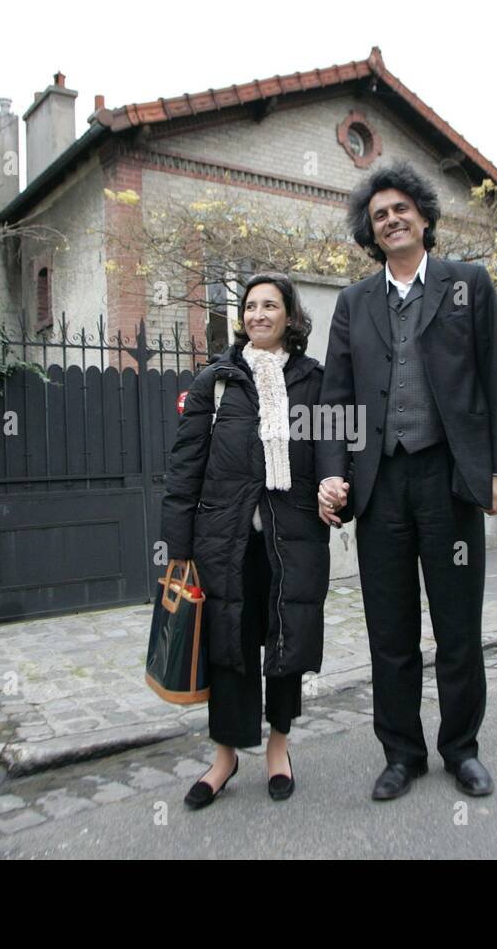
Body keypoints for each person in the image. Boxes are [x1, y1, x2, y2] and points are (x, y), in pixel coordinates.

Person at [315, 161, 497, 801]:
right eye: (379, 215)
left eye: (401, 208)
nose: (392, 219)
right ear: (369, 233)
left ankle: (461, 748)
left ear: (425, 218)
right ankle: (401, 754)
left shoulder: (468, 284)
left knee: (458, 627)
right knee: (390, 633)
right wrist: (332, 476)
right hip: (380, 488)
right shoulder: (354, 303)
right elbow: (336, 397)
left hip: (450, 479)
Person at [161, 271, 330, 809]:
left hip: (292, 535)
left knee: (287, 642)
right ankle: (225, 757)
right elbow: (184, 471)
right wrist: (177, 551)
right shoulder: (216, 381)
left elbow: (330, 450)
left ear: (289, 316)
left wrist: (335, 490)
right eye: (250, 306)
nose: (258, 314)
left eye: (270, 306)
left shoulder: (313, 380)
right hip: (224, 540)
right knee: (227, 648)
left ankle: (279, 747)